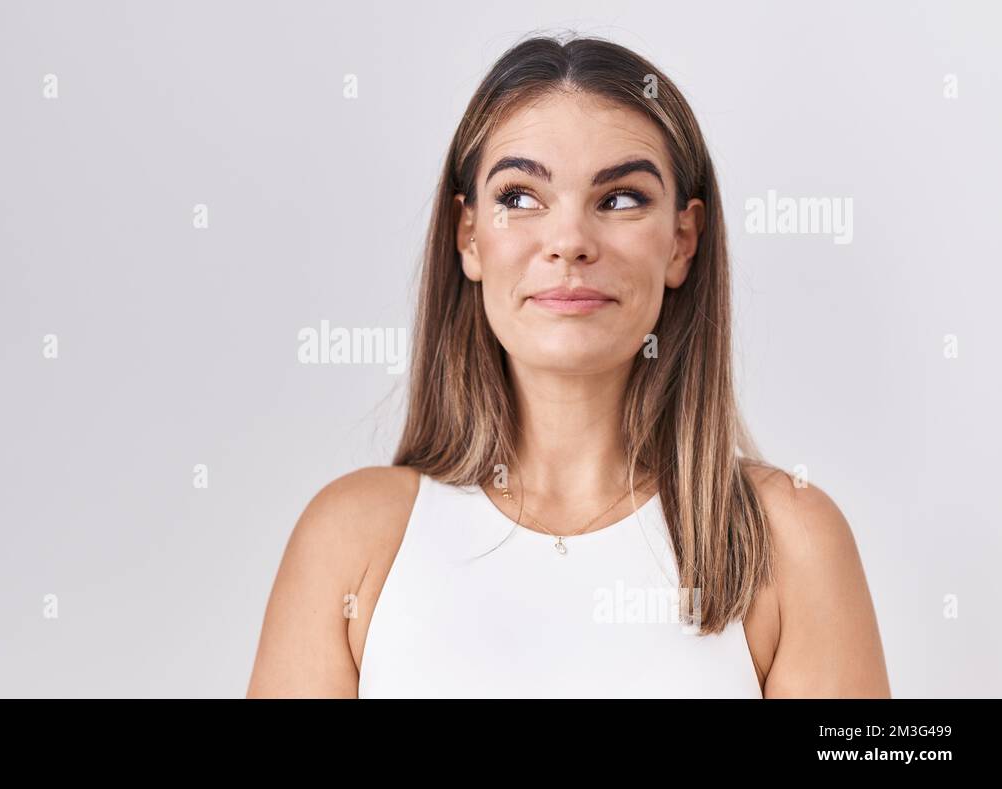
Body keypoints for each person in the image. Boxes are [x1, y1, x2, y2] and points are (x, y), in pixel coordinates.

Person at [247, 33, 889, 698]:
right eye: (520, 196)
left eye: (620, 198)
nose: (570, 242)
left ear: (682, 240)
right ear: (468, 234)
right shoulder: (350, 539)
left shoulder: (787, 543)